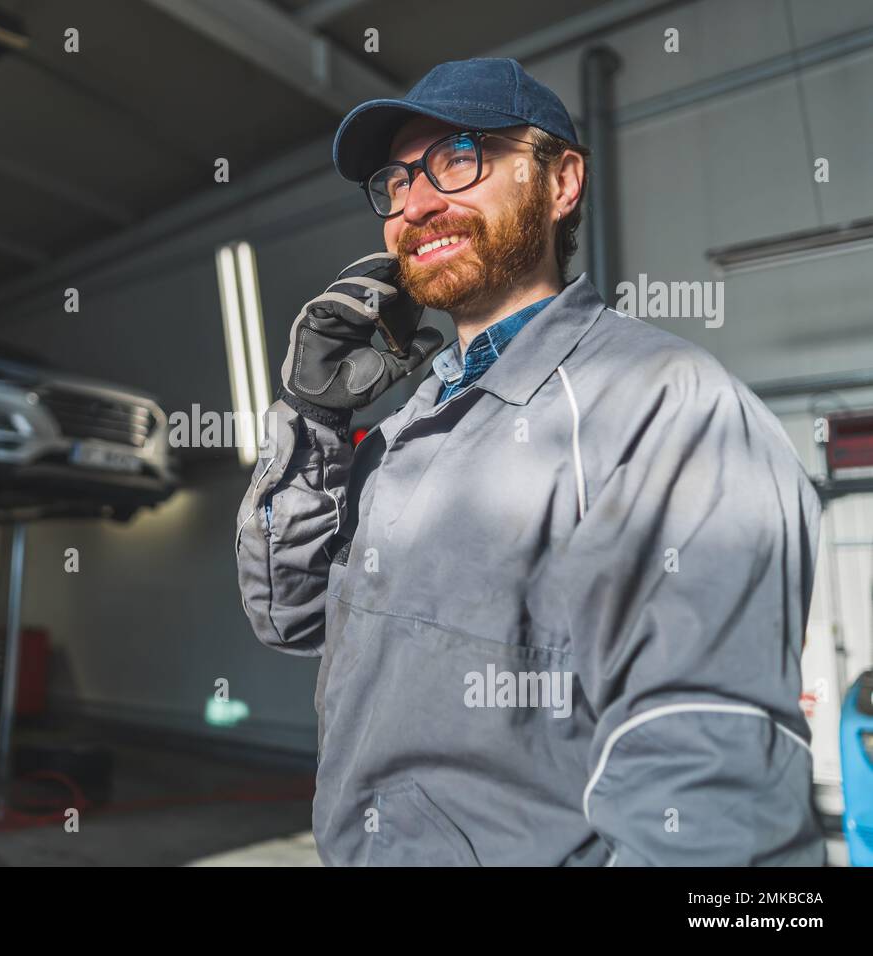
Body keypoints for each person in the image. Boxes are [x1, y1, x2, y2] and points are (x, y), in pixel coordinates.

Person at [235, 58, 823, 866]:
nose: (418, 202)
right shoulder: (414, 423)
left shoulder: (662, 408)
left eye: (459, 157)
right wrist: (313, 415)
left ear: (561, 182)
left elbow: (709, 800)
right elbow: (290, 615)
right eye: (396, 179)